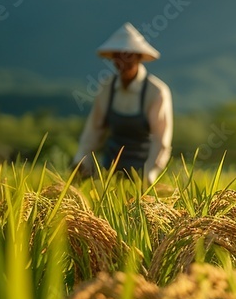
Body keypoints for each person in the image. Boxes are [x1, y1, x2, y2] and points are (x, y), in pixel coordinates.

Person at [72, 23, 173, 185]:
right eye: (118, 56)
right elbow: (94, 129)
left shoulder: (156, 92)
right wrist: (82, 159)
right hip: (109, 170)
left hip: (142, 169)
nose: (122, 62)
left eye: (128, 56)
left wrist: (150, 173)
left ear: (139, 57)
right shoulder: (107, 87)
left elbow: (161, 140)